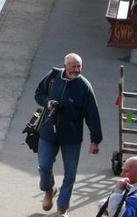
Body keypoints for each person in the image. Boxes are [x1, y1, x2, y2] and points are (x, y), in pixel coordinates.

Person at [35, 53, 102, 217]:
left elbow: (92, 114)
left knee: (70, 174)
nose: (77, 70)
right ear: (65, 66)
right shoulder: (52, 77)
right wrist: (48, 102)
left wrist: (95, 140)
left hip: (71, 138)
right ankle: (49, 189)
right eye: (74, 66)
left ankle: (62, 209)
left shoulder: (84, 86)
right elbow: (39, 94)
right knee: (44, 167)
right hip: (49, 133)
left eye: (79, 66)